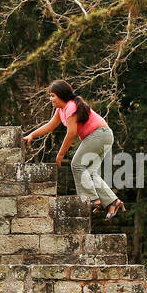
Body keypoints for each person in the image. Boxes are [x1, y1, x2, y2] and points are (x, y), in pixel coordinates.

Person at [24, 80, 125, 219]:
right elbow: (50, 126)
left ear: (61, 95)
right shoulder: (61, 110)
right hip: (105, 136)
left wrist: (60, 154)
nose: (50, 99)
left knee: (77, 165)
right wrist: (32, 135)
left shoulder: (71, 107)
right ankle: (113, 202)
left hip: (99, 135)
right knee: (89, 173)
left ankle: (92, 199)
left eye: (53, 95)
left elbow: (71, 133)